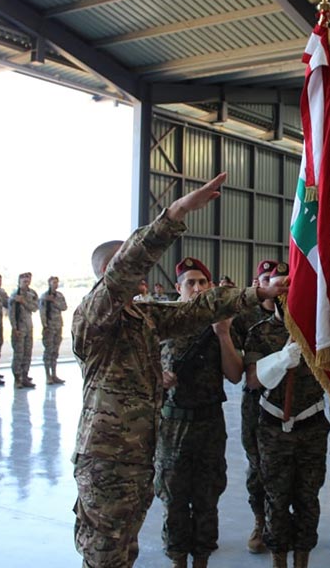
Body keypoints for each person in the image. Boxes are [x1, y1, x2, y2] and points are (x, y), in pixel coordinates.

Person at [70, 173, 288, 568]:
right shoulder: (94, 317)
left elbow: (197, 311)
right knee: (104, 554)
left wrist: (258, 293)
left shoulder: (144, 316)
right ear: (109, 272)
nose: (143, 272)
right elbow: (128, 264)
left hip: (139, 454)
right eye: (130, 265)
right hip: (105, 458)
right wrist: (177, 212)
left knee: (125, 548)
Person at [156, 257, 245, 568]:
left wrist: (223, 335)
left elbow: (235, 375)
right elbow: (140, 371)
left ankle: (202, 560)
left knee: (207, 499)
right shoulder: (161, 324)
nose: (197, 288)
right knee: (174, 498)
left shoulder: (220, 324)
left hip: (209, 424)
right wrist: (158, 377)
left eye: (202, 282)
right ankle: (178, 559)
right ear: (178, 288)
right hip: (173, 424)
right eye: (190, 283)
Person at [244, 262, 328, 568]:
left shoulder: (321, 334)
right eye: (283, 289)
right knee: (276, 500)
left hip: (312, 424)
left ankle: (302, 559)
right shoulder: (260, 333)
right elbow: (252, 381)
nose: (289, 295)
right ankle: (279, 559)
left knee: (308, 499)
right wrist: (280, 360)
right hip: (273, 426)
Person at [232, 259, 279, 554]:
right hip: (255, 403)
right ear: (257, 284)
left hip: (291, 402)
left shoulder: (300, 314)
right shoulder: (244, 317)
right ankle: (260, 521)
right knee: (257, 466)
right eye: (266, 279)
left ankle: (281, 523)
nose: (273, 286)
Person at [9, 272, 39, 388]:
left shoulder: (32, 293)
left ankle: (25, 376)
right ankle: (17, 378)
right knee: (18, 354)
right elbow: (11, 314)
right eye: (24, 281)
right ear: (19, 282)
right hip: (19, 328)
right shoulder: (14, 295)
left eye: (28, 281)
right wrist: (14, 328)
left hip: (28, 327)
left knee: (27, 353)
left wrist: (24, 302)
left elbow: (35, 307)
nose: (27, 283)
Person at [40, 276, 68, 385]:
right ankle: (48, 375)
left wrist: (55, 302)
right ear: (49, 283)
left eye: (57, 282)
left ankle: (54, 374)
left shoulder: (59, 296)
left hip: (58, 326)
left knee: (55, 351)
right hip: (49, 327)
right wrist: (45, 326)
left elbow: (64, 307)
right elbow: (42, 313)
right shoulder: (44, 297)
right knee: (48, 351)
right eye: (53, 283)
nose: (55, 285)